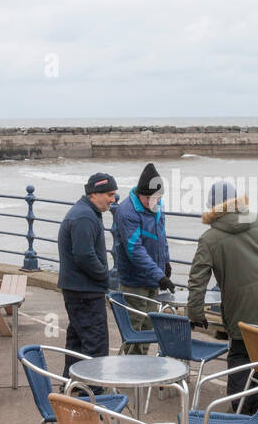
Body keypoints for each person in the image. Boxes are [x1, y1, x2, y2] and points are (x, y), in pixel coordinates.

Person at [188, 181, 258, 411]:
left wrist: (196, 314)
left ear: (211, 206)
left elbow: (197, 280)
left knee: (240, 357)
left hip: (243, 310)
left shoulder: (209, 238)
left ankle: (241, 408)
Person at [57, 172, 117, 380]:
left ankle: (70, 386)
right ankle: (94, 394)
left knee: (77, 342)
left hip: (78, 290)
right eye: (109, 194)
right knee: (95, 346)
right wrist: (104, 277)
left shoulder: (84, 212)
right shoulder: (84, 217)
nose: (113, 199)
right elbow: (83, 256)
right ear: (94, 193)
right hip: (86, 293)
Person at [111, 163, 172, 354]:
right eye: (149, 198)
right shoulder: (127, 211)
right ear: (140, 194)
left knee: (149, 326)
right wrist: (159, 275)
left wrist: (166, 262)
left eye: (157, 198)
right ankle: (128, 373)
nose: (154, 202)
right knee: (133, 330)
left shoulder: (156, 205)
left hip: (153, 277)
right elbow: (134, 249)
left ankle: (142, 368)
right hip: (135, 280)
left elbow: (161, 236)